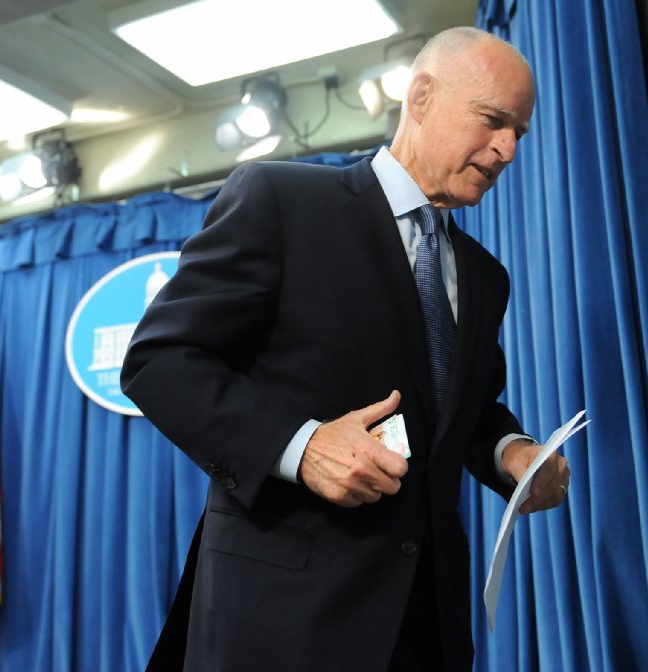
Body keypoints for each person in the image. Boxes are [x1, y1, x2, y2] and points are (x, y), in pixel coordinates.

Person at [121, 26, 571, 672]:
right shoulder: (281, 201)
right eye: (493, 121)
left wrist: (512, 452)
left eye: (518, 133)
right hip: (282, 624)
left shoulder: (485, 275)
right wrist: (302, 447)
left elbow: (466, 411)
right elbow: (161, 360)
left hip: (427, 631)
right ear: (421, 98)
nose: (507, 149)